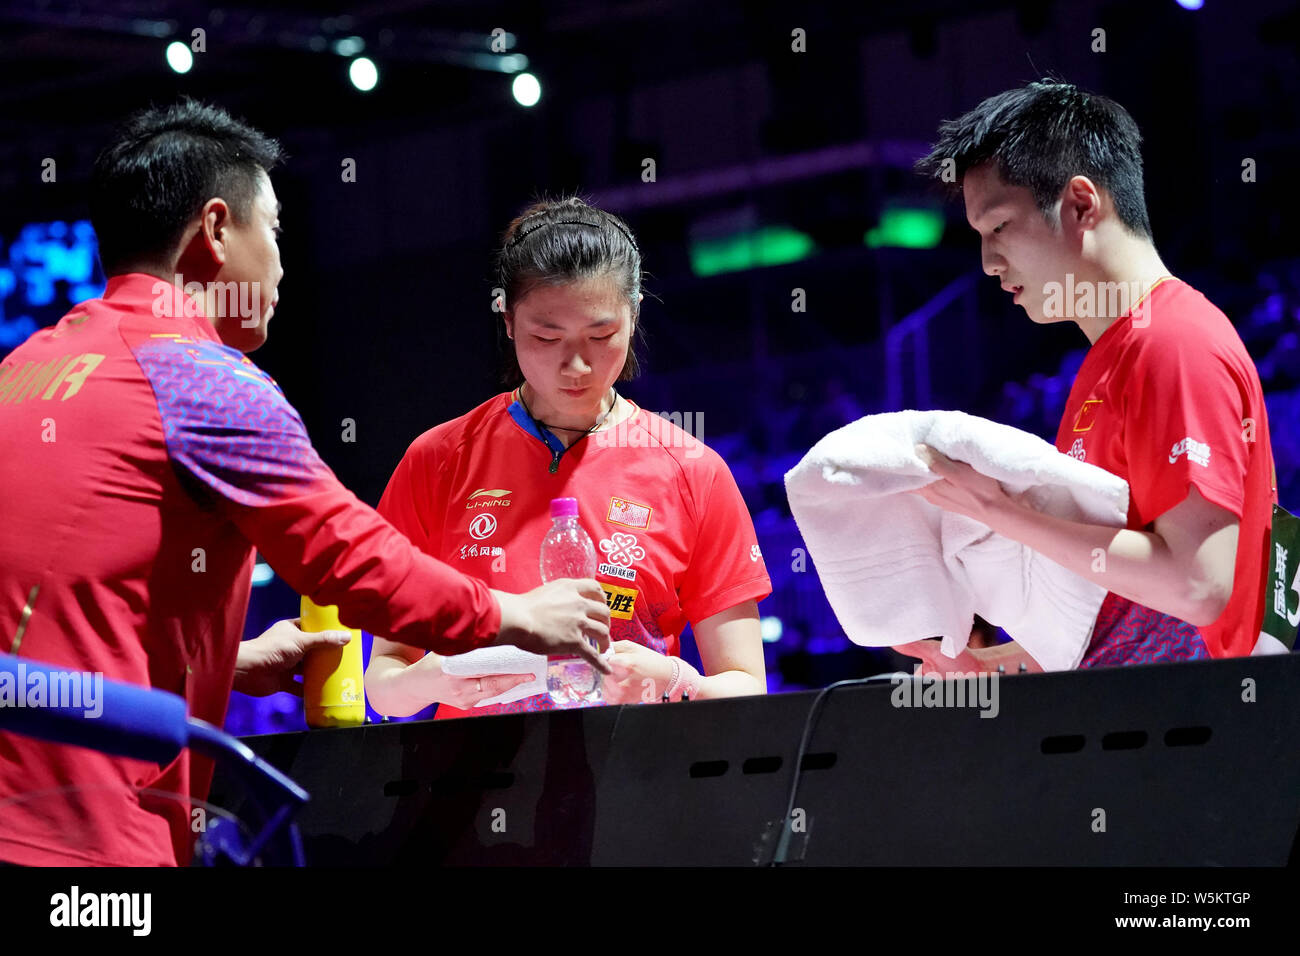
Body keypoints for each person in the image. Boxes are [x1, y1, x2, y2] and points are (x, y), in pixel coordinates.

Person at [0, 101, 610, 866]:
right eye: (275, 231)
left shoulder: (20, 373)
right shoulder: (199, 376)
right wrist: (517, 614)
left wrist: (224, 664)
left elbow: (58, 605)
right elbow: (351, 563)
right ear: (218, 230)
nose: (282, 264)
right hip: (82, 847)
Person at [908, 79, 1277, 669]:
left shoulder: (1172, 344)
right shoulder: (1105, 363)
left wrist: (998, 510)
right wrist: (988, 666)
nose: (987, 263)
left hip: (1199, 739)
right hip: (1131, 730)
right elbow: (1111, 611)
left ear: (1081, 204)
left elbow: (1199, 586)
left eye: (999, 227)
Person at [365, 198, 771, 719]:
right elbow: (382, 681)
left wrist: (674, 680)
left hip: (638, 779)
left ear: (635, 313)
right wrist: (429, 681)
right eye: (545, 337)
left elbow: (745, 688)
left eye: (601, 336)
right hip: (464, 786)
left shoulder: (694, 470)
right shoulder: (437, 460)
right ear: (508, 321)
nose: (576, 365)